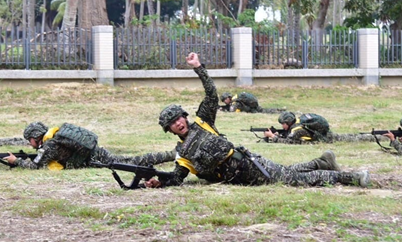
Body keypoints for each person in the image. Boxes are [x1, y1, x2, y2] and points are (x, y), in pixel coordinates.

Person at [145, 53, 369, 189]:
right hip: (239, 178)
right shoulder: (182, 154)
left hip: (247, 163)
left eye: (179, 118)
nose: (178, 124)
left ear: (184, 116)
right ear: (170, 129)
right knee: (287, 173)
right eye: (173, 123)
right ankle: (321, 162)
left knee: (292, 179)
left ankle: (351, 177)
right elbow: (177, 178)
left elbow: (211, 94)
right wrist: (160, 182)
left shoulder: (203, 122)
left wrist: (198, 68)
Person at [5, 121, 176, 170]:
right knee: (130, 160)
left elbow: (36, 166)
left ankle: (172, 154)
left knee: (133, 162)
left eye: (30, 139)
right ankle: (171, 155)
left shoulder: (49, 145)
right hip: (96, 154)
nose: (29, 143)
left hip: (96, 159)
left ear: (36, 136)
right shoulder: (53, 138)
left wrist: (16, 161)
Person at [263, 111, 376, 143]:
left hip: (328, 139)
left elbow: (288, 142)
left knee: (357, 138)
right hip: (326, 135)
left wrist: (272, 136)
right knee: (352, 136)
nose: (282, 126)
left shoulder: (297, 129)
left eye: (283, 123)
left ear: (288, 122)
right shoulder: (297, 122)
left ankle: (377, 137)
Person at [219, 92, 283, 113]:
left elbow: (232, 111)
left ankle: (278, 111)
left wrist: (223, 110)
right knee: (265, 110)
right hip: (252, 106)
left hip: (251, 109)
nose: (225, 102)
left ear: (228, 98)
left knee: (265, 111)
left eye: (224, 100)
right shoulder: (236, 98)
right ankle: (279, 110)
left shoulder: (235, 102)